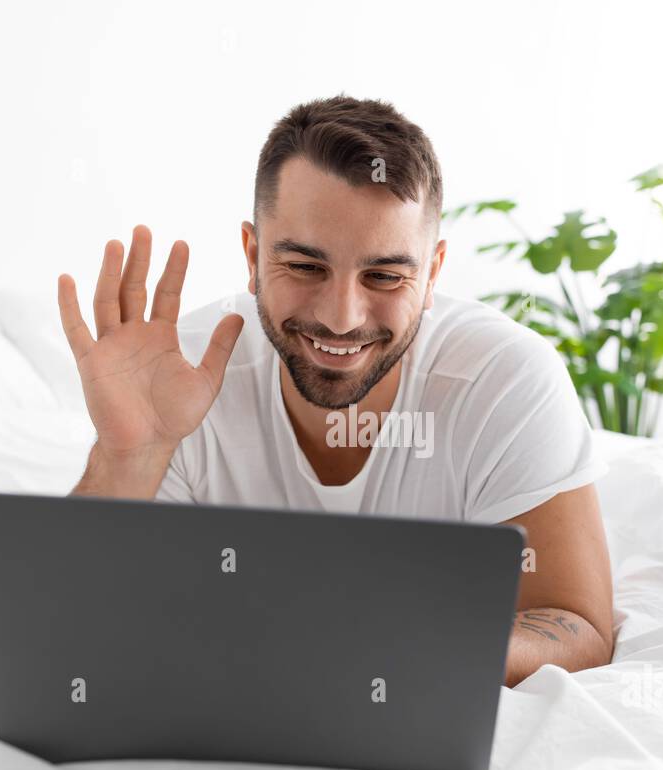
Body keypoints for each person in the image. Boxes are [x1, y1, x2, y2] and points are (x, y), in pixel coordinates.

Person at [58, 95, 614, 687]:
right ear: (252, 256)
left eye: (384, 276)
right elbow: (73, 617)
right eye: (304, 267)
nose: (343, 318)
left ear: (432, 275)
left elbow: (577, 623)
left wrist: (415, 645)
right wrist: (126, 459)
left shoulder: (505, 378)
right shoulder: (179, 374)